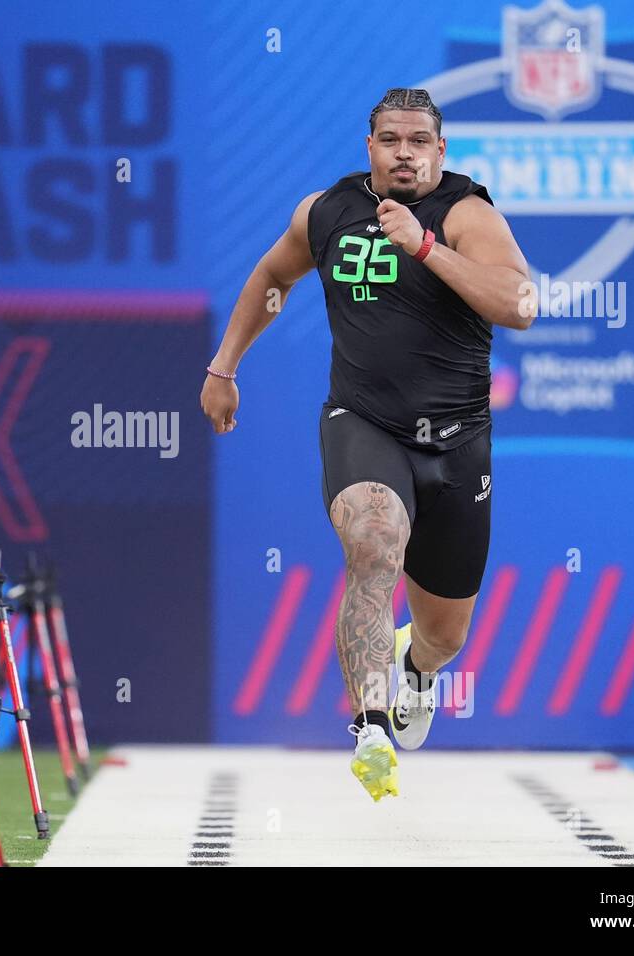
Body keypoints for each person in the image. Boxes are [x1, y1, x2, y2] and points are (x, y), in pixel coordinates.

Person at [200, 88, 532, 801]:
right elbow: (271, 278)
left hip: (457, 443)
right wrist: (223, 367)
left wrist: (425, 246)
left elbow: (521, 306)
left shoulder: (469, 214)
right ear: (370, 146)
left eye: (419, 141)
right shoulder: (325, 212)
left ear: (441, 151)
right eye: (390, 140)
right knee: (375, 541)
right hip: (363, 422)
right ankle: (370, 724)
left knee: (446, 635)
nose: (404, 153)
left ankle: (417, 667)